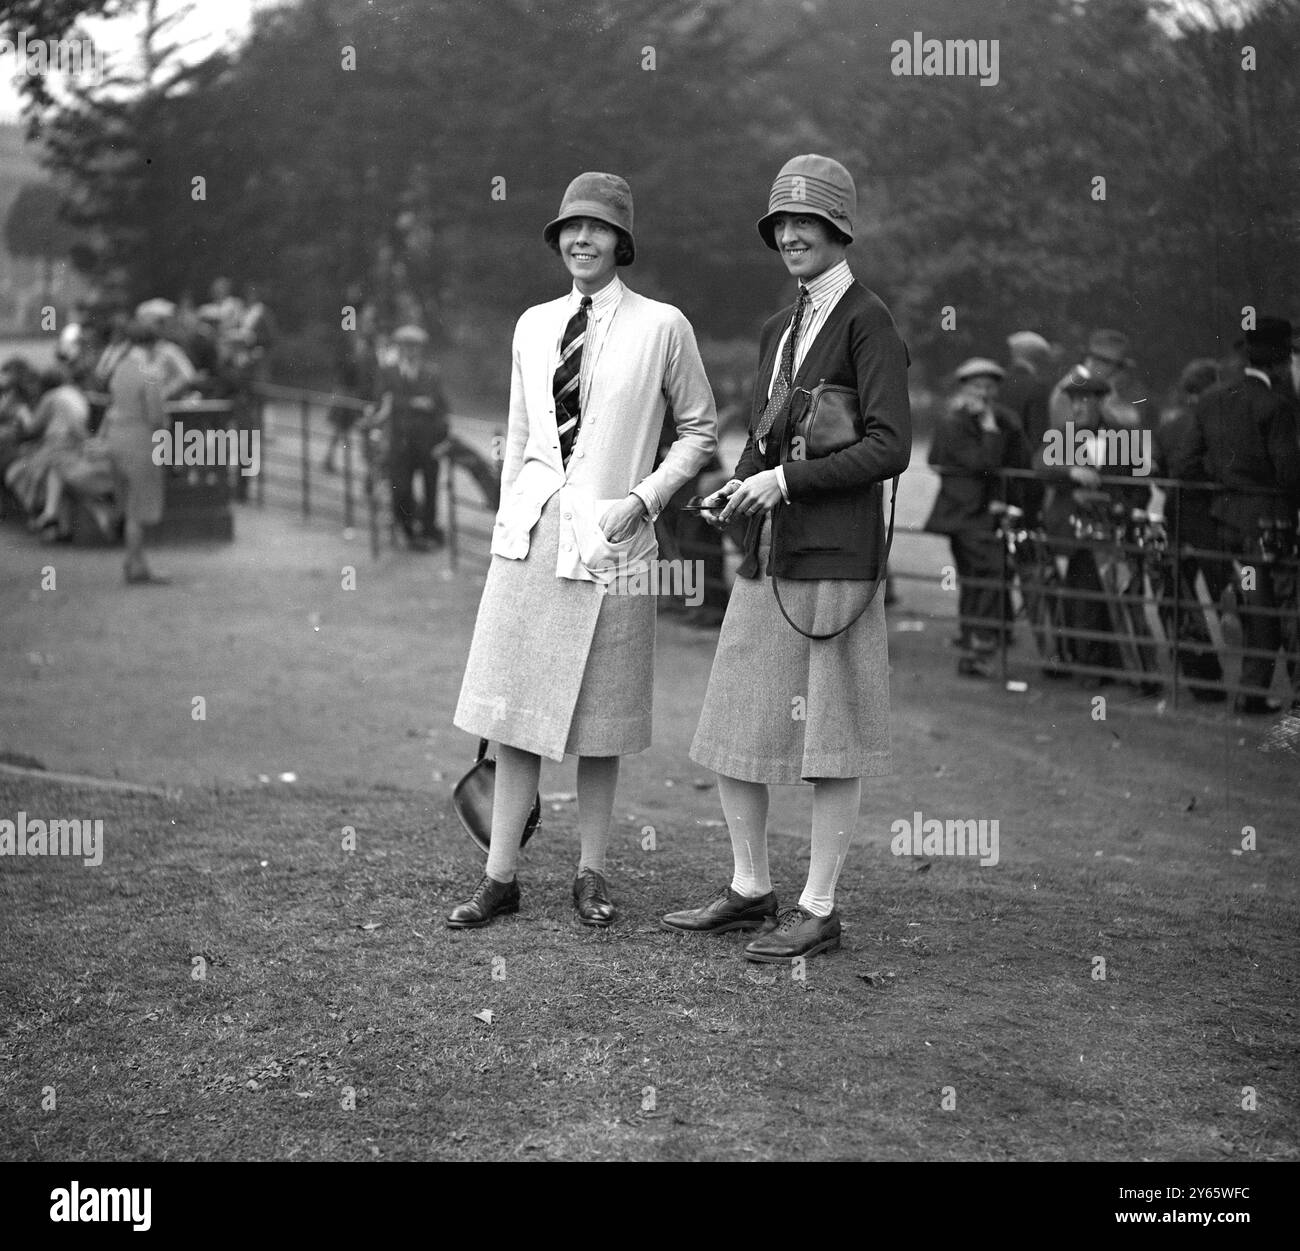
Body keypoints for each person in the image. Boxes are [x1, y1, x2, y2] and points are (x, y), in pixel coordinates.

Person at [449, 171, 718, 929]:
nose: (580, 240)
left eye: (596, 229)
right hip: (534, 535)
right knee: (516, 714)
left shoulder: (662, 325)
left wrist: (644, 500)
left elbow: (699, 430)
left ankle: (590, 873)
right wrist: (508, 527)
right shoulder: (534, 324)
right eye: (570, 228)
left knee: (604, 719)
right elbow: (522, 439)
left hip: (617, 543)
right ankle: (499, 876)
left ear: (621, 241)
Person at [662, 154, 911, 963]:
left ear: (841, 231)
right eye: (782, 224)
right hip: (769, 560)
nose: (793, 235)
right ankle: (749, 886)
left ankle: (819, 905)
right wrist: (736, 489)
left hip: (838, 559)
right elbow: (764, 444)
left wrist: (784, 482)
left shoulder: (868, 320)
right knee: (737, 715)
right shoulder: (782, 327)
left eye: (809, 222)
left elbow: (889, 446)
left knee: (831, 736)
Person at [1169, 318, 1300, 714]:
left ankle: (1251, 691)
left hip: (1230, 525)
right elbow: (1289, 473)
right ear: (1279, 364)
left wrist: (1225, 481)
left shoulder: (1212, 399)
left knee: (1254, 605)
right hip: (1273, 526)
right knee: (1288, 607)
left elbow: (1184, 465)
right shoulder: (1277, 406)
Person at [924, 357, 1025, 676]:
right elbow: (983, 463)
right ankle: (976, 649)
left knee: (976, 580)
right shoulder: (956, 422)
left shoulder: (1003, 419)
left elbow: (1019, 457)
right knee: (988, 575)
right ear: (964, 389)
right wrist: (989, 431)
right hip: (965, 513)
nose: (983, 394)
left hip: (980, 512)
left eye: (989, 387)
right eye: (977, 387)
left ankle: (973, 646)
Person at [91, 318, 171, 584]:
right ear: (151, 343)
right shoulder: (149, 371)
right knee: (140, 508)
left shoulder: (120, 368)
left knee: (128, 505)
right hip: (140, 441)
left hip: (116, 438)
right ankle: (135, 566)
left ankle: (137, 563)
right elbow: (156, 416)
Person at [371, 324, 451, 550]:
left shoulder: (431, 373)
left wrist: (440, 438)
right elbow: (383, 402)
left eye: (415, 347)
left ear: (421, 349)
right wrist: (414, 403)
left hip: (427, 442)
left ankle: (428, 531)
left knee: (431, 487)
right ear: (399, 348)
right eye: (406, 346)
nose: (410, 351)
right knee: (401, 488)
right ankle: (407, 530)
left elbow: (441, 406)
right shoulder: (388, 372)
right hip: (400, 442)